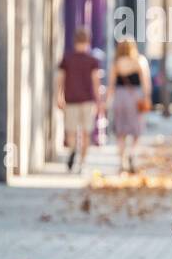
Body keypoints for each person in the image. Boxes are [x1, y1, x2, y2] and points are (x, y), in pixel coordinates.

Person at [56, 28, 103, 173]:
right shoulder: (92, 61)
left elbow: (60, 79)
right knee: (86, 133)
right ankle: (82, 163)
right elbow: (96, 82)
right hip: (87, 101)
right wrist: (99, 101)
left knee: (70, 131)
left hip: (71, 100)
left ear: (75, 41)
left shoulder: (67, 59)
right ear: (88, 42)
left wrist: (59, 96)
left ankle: (72, 149)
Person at [106, 37, 151, 174]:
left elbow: (111, 86)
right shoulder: (139, 60)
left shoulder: (116, 63)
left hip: (119, 97)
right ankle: (131, 153)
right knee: (136, 128)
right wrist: (147, 97)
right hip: (135, 98)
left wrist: (107, 102)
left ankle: (122, 162)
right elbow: (145, 82)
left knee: (121, 131)